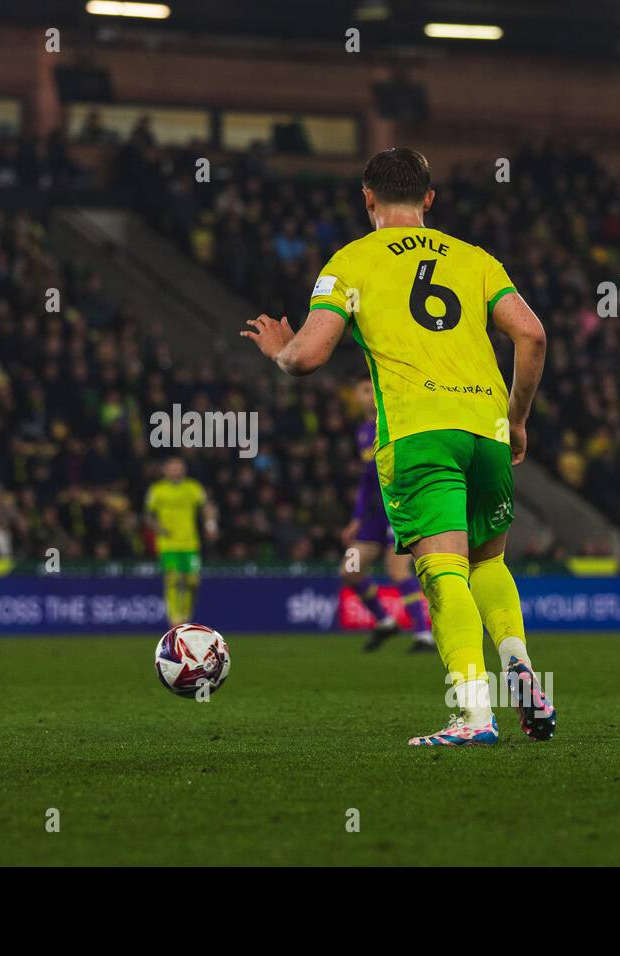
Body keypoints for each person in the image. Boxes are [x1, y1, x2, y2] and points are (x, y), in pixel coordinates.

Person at [242, 146, 554, 747]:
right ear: (428, 199)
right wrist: (516, 420)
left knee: (443, 570)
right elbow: (532, 335)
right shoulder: (474, 258)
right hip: (485, 425)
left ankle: (473, 715)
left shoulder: (350, 262)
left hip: (418, 431)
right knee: (489, 563)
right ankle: (521, 669)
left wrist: (279, 350)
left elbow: (307, 357)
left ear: (367, 198)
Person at [341, 379, 435, 652]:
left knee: (397, 569)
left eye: (368, 389)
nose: (362, 395)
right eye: (361, 390)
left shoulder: (393, 423)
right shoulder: (362, 432)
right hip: (373, 518)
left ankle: (423, 635)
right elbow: (367, 482)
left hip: (399, 508)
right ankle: (385, 621)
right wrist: (356, 519)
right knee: (350, 569)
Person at [144, 457, 217, 626]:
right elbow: (148, 515)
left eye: (179, 467)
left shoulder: (193, 487)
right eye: (172, 468)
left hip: (190, 543)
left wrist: (211, 526)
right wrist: (158, 528)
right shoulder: (157, 490)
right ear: (165, 470)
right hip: (168, 544)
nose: (176, 471)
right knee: (174, 579)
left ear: (184, 469)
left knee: (192, 582)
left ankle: (186, 616)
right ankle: (175, 620)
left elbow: (207, 507)